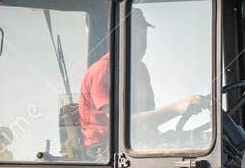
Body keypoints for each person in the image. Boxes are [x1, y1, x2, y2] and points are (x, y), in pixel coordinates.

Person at [77, 10, 202, 152]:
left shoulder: (140, 70)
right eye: (135, 34)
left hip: (134, 146)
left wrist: (160, 136)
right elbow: (121, 124)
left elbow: (147, 120)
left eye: (144, 34)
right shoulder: (102, 70)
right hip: (106, 152)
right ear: (118, 36)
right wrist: (178, 107)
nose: (142, 41)